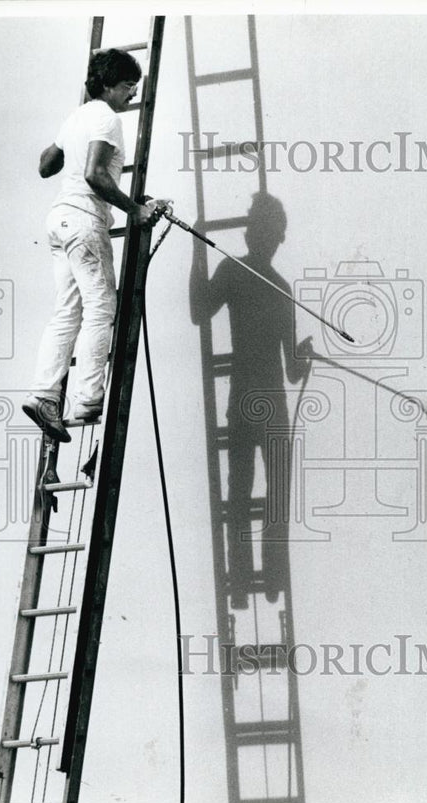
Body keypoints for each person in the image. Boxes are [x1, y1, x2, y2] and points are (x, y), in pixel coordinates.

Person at [23, 48, 171, 441]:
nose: (132, 96)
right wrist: (135, 210)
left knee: (66, 312)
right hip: (85, 221)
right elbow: (94, 174)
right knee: (101, 306)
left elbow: (45, 165)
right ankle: (89, 396)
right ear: (107, 85)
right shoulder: (105, 117)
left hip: (59, 220)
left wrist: (67, 142)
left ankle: (44, 395)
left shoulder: (78, 115)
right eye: (127, 87)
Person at [190, 192, 311, 609]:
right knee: (275, 494)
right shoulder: (278, 286)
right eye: (275, 234)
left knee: (239, 495)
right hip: (270, 402)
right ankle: (272, 577)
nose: (276, 240)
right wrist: (305, 354)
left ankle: (241, 582)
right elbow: (293, 370)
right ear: (271, 236)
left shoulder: (234, 271)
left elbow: (198, 309)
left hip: (244, 397)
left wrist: (197, 251)